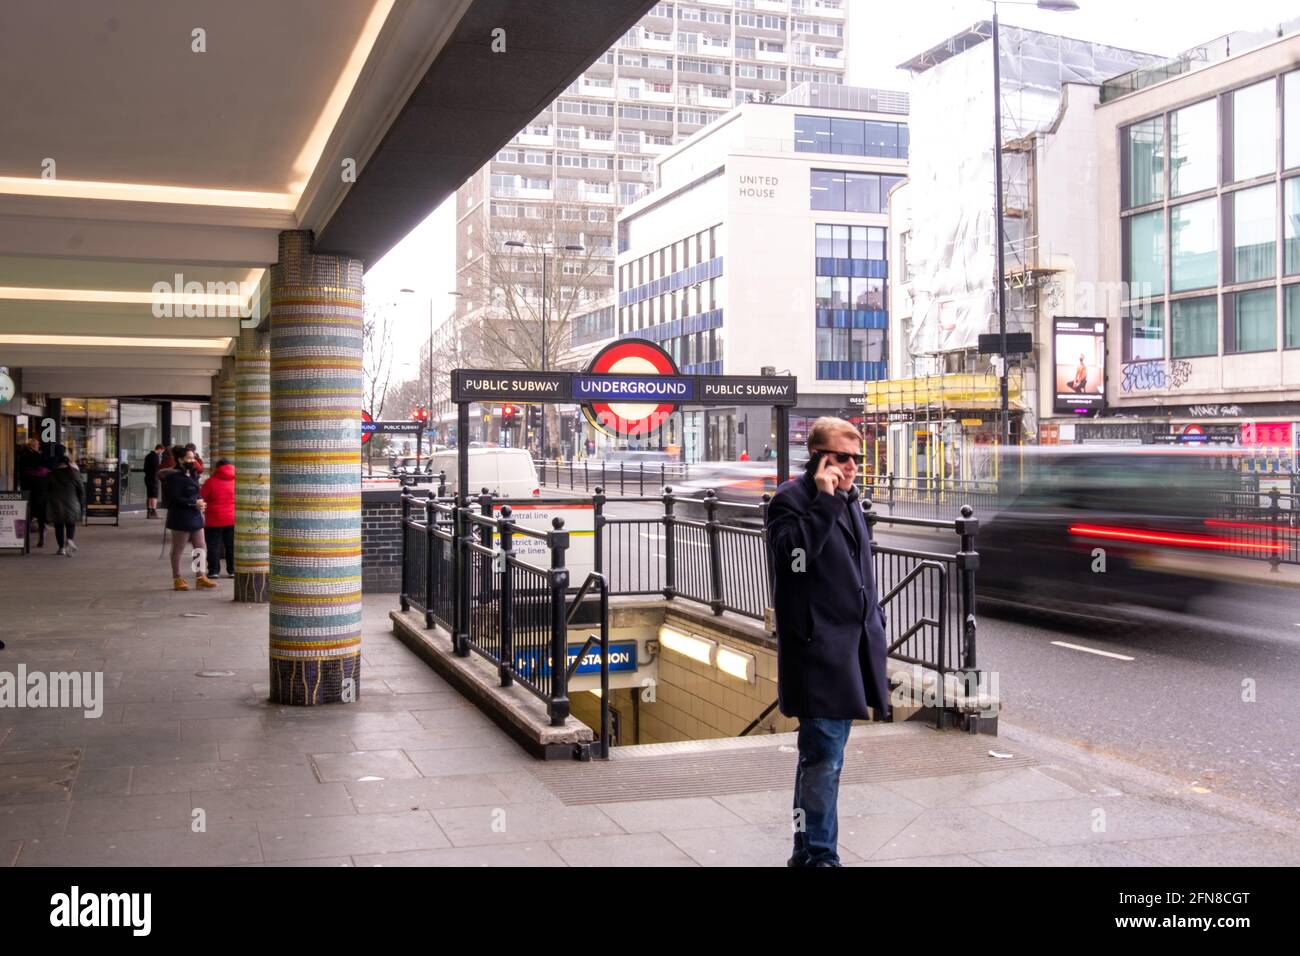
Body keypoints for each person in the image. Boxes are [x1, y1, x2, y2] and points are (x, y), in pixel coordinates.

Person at [765, 416, 890, 868]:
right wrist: (823, 500)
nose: (852, 466)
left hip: (851, 651)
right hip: (817, 652)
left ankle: (805, 850)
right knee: (824, 760)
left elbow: (859, 575)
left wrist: (876, 622)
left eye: (857, 458)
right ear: (818, 456)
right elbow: (793, 559)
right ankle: (820, 855)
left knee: (818, 757)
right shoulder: (791, 500)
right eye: (842, 457)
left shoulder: (849, 501)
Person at [162, 444, 216, 591]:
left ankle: (200, 576)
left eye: (193, 458)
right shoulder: (173, 477)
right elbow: (174, 498)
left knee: (200, 547)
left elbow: (195, 492)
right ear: (180, 459)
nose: (192, 461)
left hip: (195, 516)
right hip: (180, 517)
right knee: (178, 549)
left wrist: (200, 501)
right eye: (189, 458)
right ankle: (177, 578)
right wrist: (194, 503)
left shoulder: (192, 474)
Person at [199, 458, 236, 578]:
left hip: (214, 519)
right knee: (231, 545)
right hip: (232, 518)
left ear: (217, 468)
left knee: (214, 545)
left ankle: (214, 571)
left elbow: (202, 497)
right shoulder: (236, 481)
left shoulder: (210, 482)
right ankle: (232, 570)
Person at [45, 455, 84, 556]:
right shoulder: (74, 473)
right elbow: (81, 489)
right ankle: (70, 539)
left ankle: (61, 548)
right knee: (71, 523)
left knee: (59, 526)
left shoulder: (52, 474)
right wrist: (80, 502)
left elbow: (47, 489)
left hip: (57, 504)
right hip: (72, 502)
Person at [17, 436, 50, 547]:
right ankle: (41, 536)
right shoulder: (40, 457)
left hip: (28, 490)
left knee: (28, 514)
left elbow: (21, 473)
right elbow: (47, 471)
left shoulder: (23, 457)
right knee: (40, 514)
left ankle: (24, 538)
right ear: (32, 446)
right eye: (36, 445)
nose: (38, 446)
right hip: (40, 490)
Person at [144, 443, 164, 518]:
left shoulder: (148, 456)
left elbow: (145, 469)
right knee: (154, 496)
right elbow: (157, 468)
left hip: (147, 477)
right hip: (153, 478)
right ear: (159, 449)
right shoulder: (155, 456)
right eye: (161, 451)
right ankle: (154, 512)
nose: (161, 453)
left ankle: (149, 512)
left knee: (149, 495)